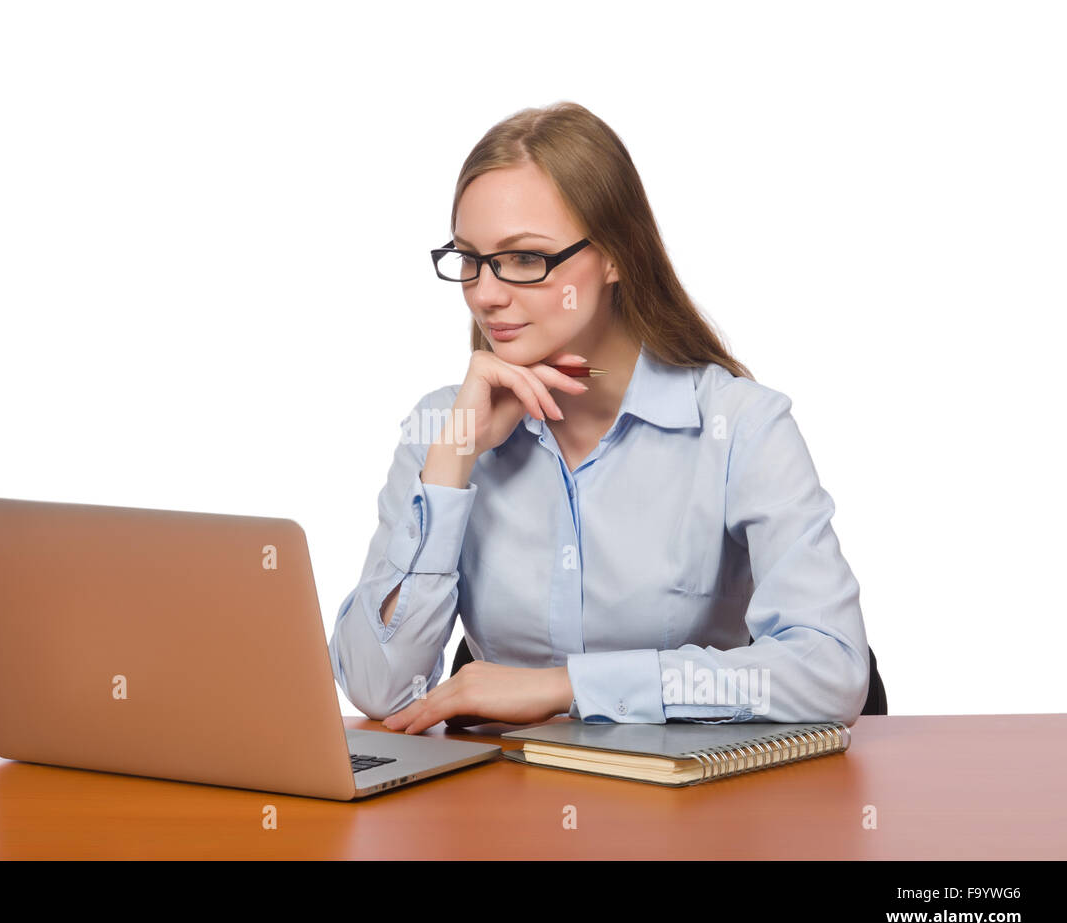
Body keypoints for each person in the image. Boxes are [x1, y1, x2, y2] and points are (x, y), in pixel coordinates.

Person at [328, 101, 869, 734]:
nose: (486, 293)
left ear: (615, 256)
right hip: (501, 811)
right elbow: (379, 688)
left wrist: (568, 687)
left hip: (690, 812)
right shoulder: (444, 426)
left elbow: (831, 668)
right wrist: (452, 464)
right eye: (470, 258)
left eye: (526, 258)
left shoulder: (740, 428)